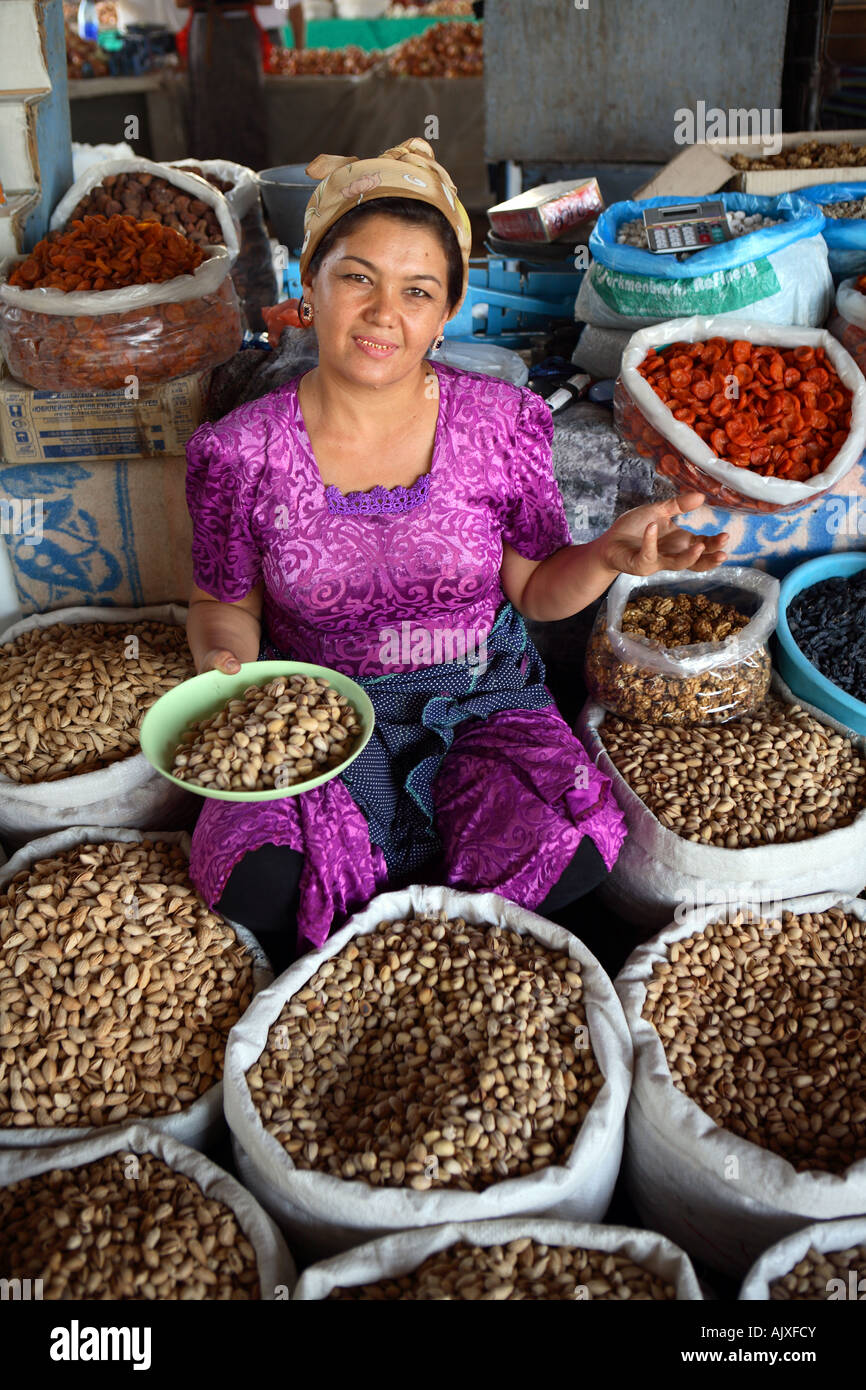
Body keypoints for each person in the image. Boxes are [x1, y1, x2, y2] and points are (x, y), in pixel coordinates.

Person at [184, 136, 729, 971]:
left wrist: (610, 555)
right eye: (357, 277)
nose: (382, 313)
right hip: (323, 721)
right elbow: (225, 601)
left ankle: (421, 926)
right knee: (257, 877)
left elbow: (540, 591)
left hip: (479, 702)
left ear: (446, 314)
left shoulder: (498, 423)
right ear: (309, 286)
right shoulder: (238, 452)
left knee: (572, 850)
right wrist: (233, 676)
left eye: (417, 291)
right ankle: (408, 911)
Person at [177, 0, 288, 169]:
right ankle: (208, 181)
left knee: (246, 113)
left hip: (240, 32)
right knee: (206, 115)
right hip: (205, 32)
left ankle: (252, 181)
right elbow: (180, 2)